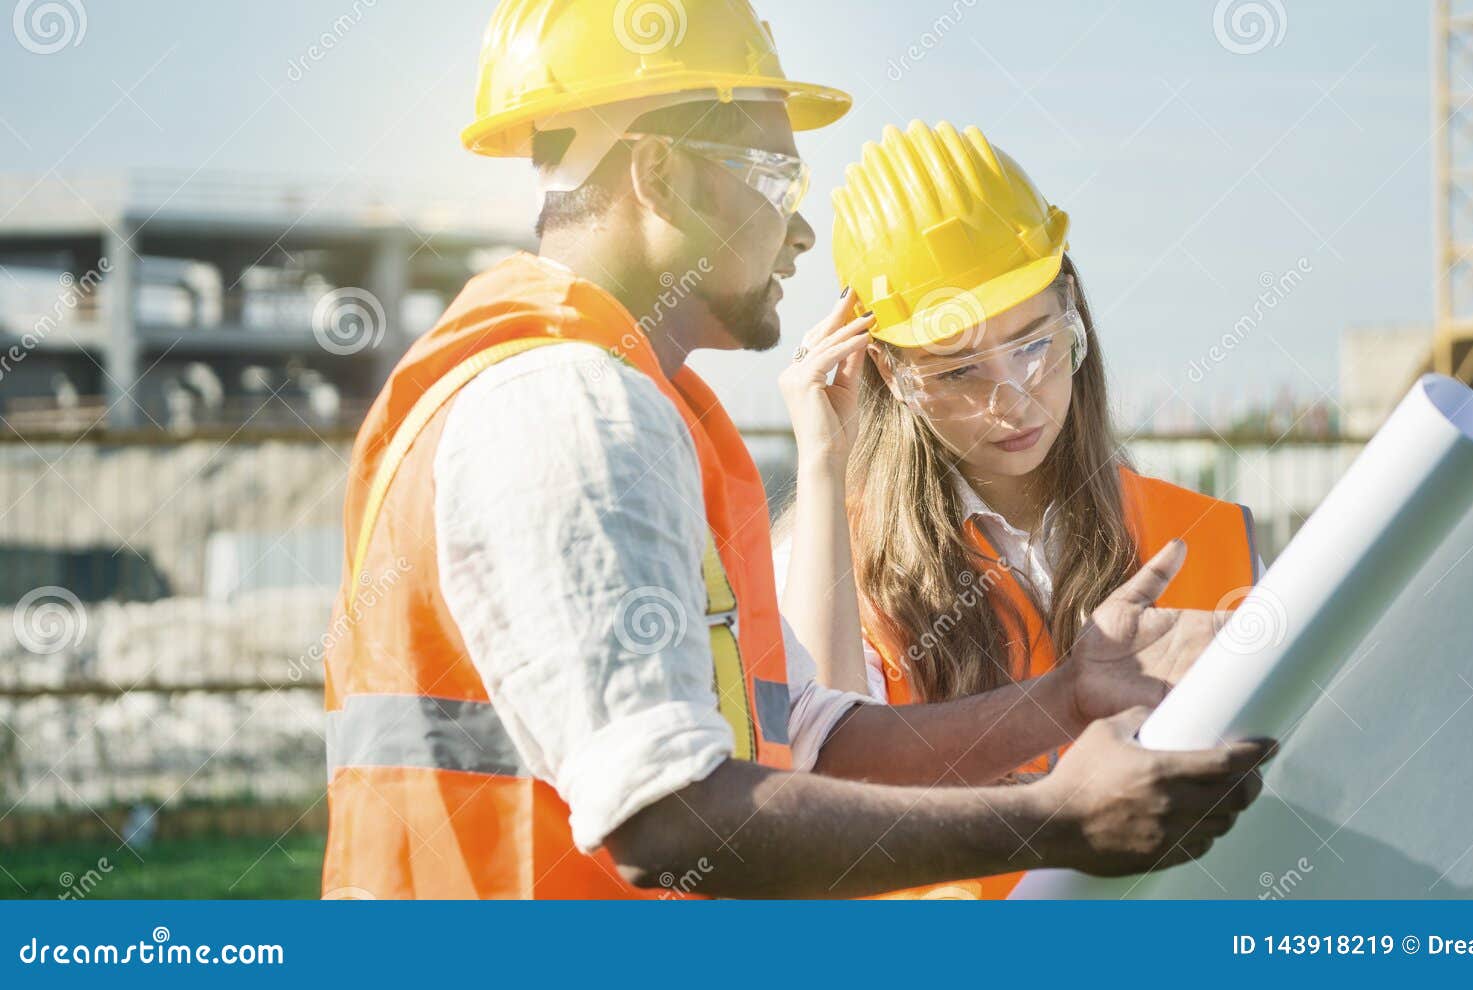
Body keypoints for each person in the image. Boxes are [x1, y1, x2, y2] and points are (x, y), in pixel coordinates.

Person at [320, 1, 1271, 900]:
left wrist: (1060, 701)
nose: (803, 230)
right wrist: (1050, 818)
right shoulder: (571, 405)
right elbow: (668, 819)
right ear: (662, 177)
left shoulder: (626, 398)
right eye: (778, 178)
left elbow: (799, 747)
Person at [777, 121, 1263, 896]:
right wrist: (823, 460)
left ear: (1070, 304)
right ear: (889, 373)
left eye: (1035, 343)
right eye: (962, 371)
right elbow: (820, 780)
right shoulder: (833, 558)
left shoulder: (1210, 536)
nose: (1011, 400)